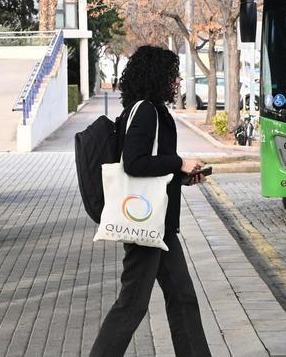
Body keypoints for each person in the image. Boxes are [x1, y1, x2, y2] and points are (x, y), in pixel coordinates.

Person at [91, 45, 210, 357]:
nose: (177, 80)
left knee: (182, 297)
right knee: (132, 304)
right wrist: (178, 162)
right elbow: (135, 163)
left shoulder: (151, 109)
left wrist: (184, 175)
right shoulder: (145, 111)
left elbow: (153, 166)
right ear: (157, 75)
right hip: (146, 223)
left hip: (160, 223)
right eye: (172, 74)